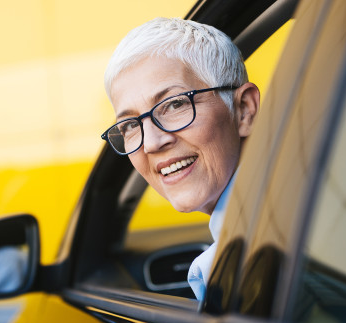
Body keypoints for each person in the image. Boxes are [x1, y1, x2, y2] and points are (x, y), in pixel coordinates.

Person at [101, 17, 260, 301]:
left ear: (244, 110)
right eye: (130, 125)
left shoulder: (253, 262)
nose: (151, 143)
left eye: (175, 104)